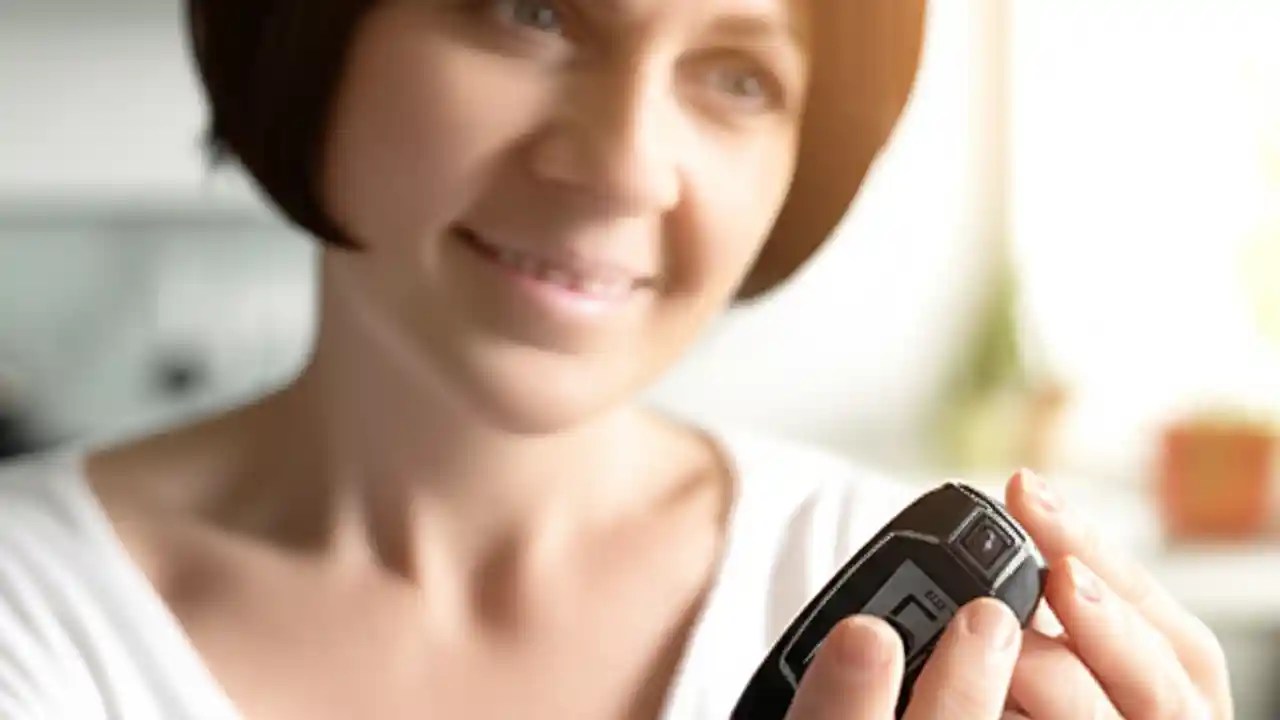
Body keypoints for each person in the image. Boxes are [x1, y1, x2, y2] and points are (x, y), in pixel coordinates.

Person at [0, 0, 1233, 717]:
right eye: (533, 9)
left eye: (737, 76)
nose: (623, 165)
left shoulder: (951, 631)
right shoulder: (29, 623)